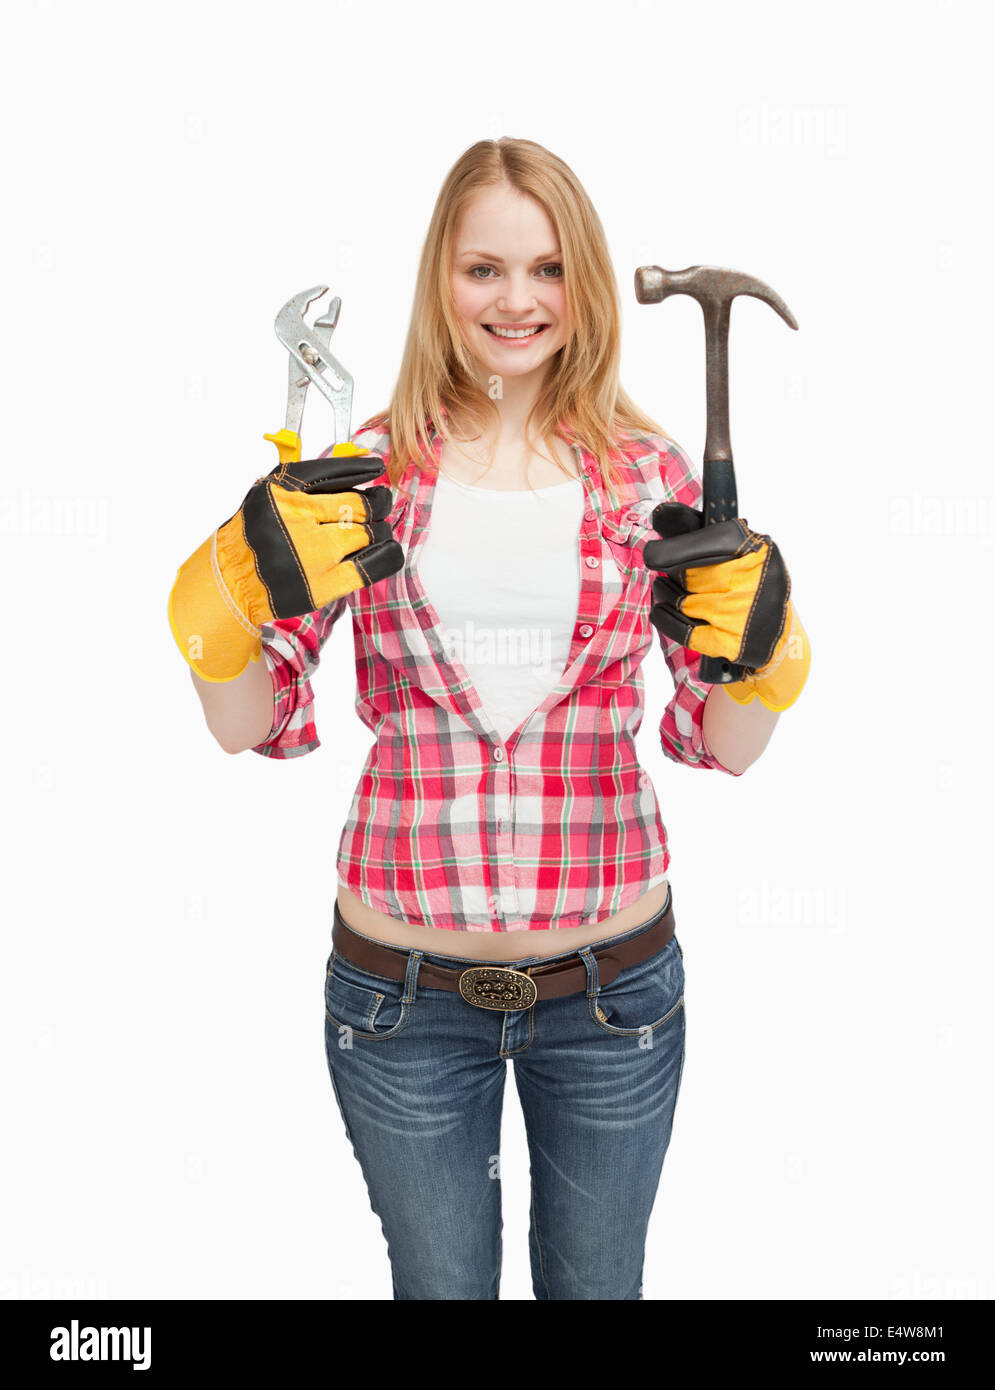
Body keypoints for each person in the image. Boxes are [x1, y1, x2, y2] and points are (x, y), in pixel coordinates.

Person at [168, 137, 810, 1299]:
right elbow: (244, 719)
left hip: (613, 994)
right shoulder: (362, 472)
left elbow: (724, 741)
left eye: (549, 269)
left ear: (587, 286)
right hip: (399, 1000)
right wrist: (214, 611)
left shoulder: (646, 474)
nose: (517, 300)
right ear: (439, 283)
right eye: (483, 270)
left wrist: (768, 661)